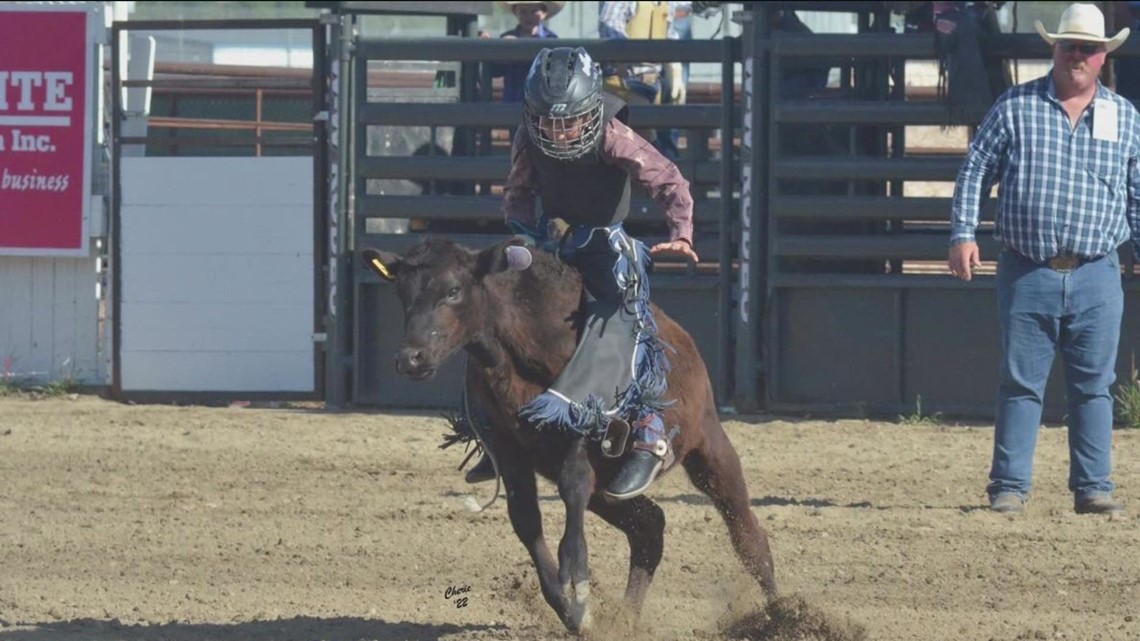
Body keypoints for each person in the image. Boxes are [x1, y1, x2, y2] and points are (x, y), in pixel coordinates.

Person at [484, 46, 698, 501]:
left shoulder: (613, 135)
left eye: (570, 121)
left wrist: (681, 231)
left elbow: (668, 179)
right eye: (550, 122)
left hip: (605, 244)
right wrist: (524, 236)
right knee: (493, 306)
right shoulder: (527, 138)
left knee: (626, 317)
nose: (560, 133)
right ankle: (492, 425)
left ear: (591, 110)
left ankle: (648, 428)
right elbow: (518, 192)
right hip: (550, 242)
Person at [949, 2, 1139, 516]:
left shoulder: (1125, 118)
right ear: (1054, 49)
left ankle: (1094, 487)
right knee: (1020, 382)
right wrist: (963, 234)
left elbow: (1137, 191)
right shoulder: (1015, 106)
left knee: (1094, 386)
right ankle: (1009, 488)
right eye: (1070, 45)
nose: (1078, 55)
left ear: (1103, 57)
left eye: (1089, 48)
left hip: (1097, 269)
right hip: (1028, 265)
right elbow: (975, 172)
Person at [598, 1, 684, 159]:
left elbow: (669, 32)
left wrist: (675, 68)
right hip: (624, 83)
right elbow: (609, 25)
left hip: (655, 82)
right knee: (643, 150)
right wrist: (626, 56)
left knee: (664, 149)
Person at [479, 2, 564, 104]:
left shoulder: (552, 40)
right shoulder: (506, 38)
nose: (528, 16)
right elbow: (494, 71)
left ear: (544, 13)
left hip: (539, 104)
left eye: (534, 11)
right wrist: (489, 48)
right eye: (523, 11)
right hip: (512, 102)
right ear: (516, 12)